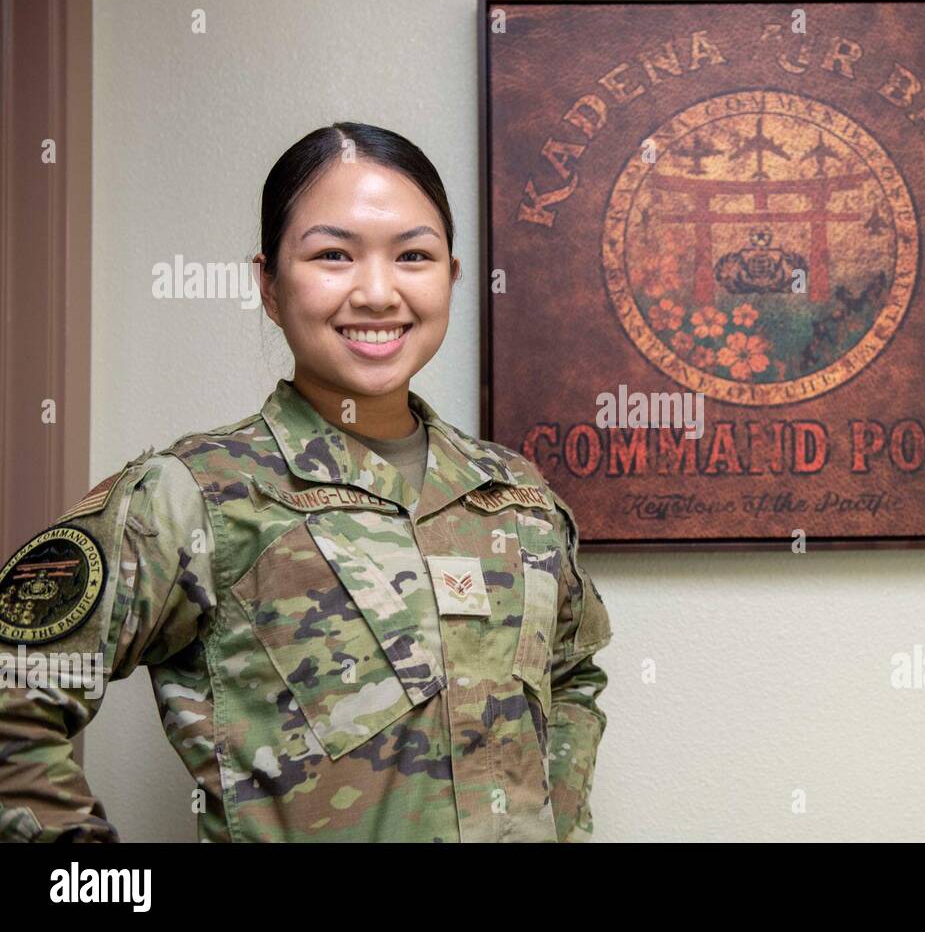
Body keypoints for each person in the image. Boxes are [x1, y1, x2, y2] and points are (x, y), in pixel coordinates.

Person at [0, 122, 612, 842]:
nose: (378, 293)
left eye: (413, 256)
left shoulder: (516, 497)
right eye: (332, 255)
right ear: (268, 282)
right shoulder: (199, 494)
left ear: (450, 275)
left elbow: (573, 679)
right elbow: (15, 687)